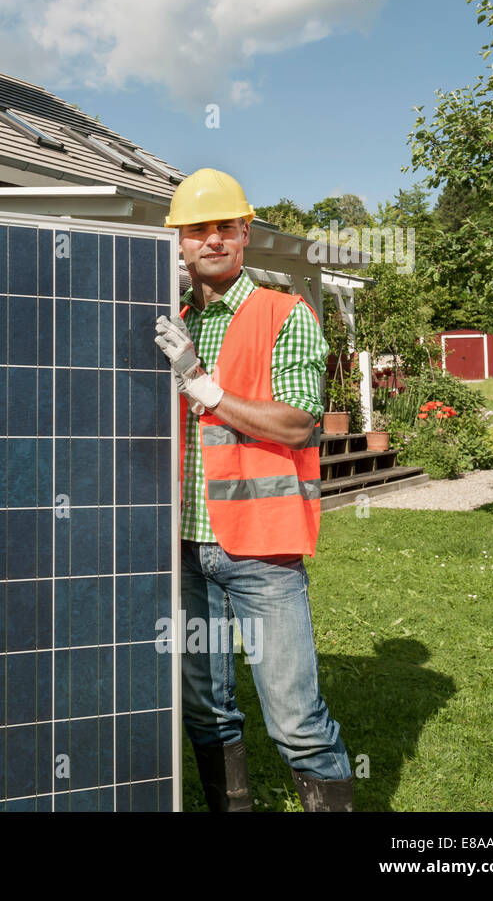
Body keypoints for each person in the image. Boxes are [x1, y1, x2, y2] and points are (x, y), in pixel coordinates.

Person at [153, 168, 353, 812]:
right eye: (196, 230)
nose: (211, 240)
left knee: (297, 720)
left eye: (223, 228)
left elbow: (299, 425)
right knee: (206, 712)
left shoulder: (283, 313)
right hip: (181, 550)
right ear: (179, 244)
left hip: (262, 552)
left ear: (244, 235)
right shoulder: (167, 322)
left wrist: (206, 389)